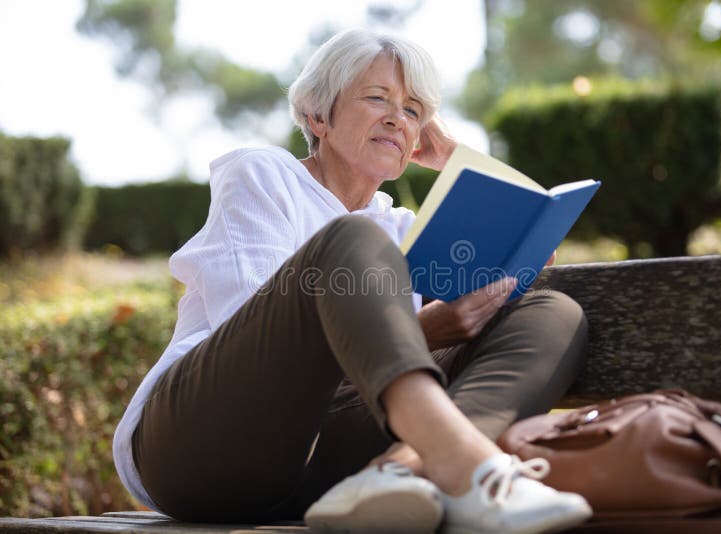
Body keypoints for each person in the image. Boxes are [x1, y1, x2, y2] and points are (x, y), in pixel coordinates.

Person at [112, 28, 591, 534]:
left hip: (320, 468)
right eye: (377, 98)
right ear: (318, 115)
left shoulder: (402, 230)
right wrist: (421, 331)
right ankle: (467, 468)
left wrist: (449, 152)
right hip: (204, 446)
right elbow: (257, 342)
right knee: (353, 240)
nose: (397, 118)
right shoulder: (265, 175)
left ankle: (403, 468)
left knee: (551, 313)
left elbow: (540, 232)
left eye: (412, 111)